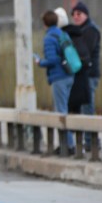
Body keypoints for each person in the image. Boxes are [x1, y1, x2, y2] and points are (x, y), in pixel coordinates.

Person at [35, 10, 75, 154]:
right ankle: (68, 144)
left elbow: (53, 60)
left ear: (45, 24)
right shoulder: (63, 34)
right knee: (64, 109)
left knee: (61, 111)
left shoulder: (49, 38)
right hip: (70, 74)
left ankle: (68, 145)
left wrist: (40, 62)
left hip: (59, 77)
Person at [70, 2, 101, 151]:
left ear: (85, 15)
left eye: (78, 14)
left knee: (88, 107)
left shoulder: (91, 30)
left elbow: (85, 52)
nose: (75, 17)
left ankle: (92, 142)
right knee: (84, 107)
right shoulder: (81, 30)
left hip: (90, 75)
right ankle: (88, 141)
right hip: (83, 75)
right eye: (73, 14)